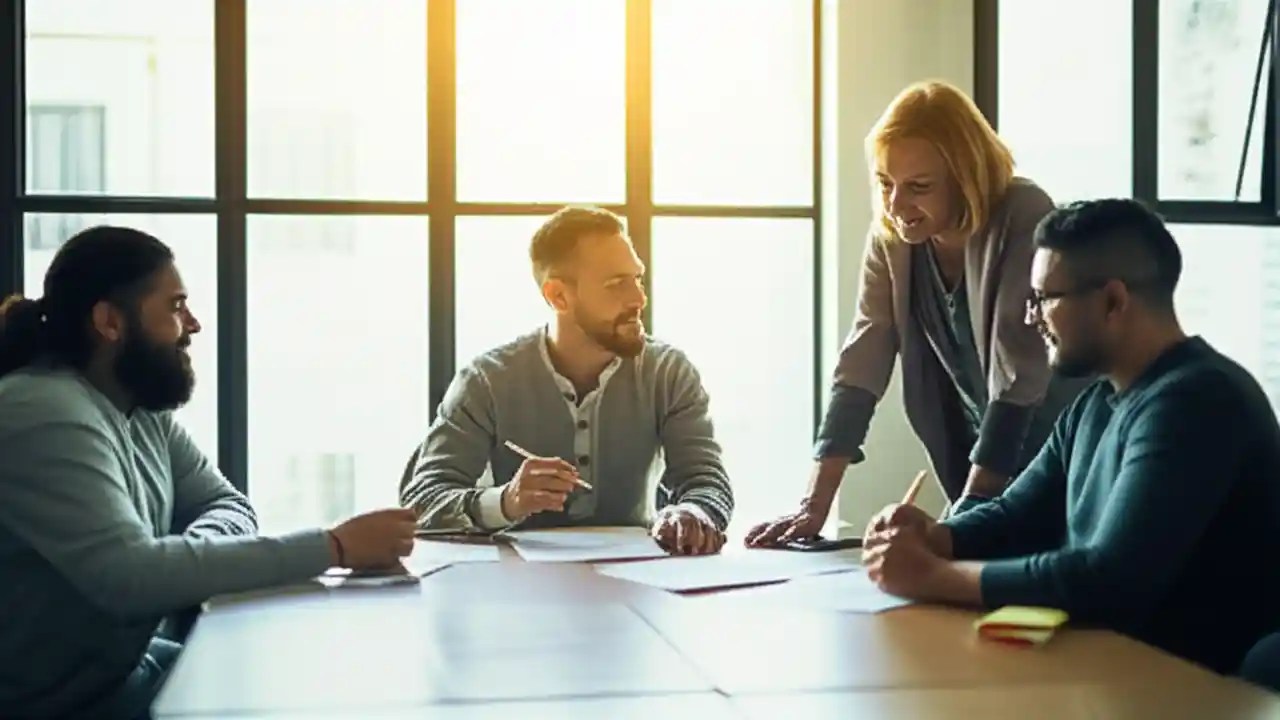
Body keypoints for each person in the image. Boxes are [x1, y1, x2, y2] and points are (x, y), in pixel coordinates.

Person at [0, 226, 417, 720]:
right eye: (176, 306)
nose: (193, 324)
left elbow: (228, 505)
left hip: (125, 677)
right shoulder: (42, 408)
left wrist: (188, 562)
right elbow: (129, 576)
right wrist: (335, 548)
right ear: (110, 321)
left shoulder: (139, 407)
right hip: (60, 707)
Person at [861, 199, 1280, 675]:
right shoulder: (1095, 403)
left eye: (1044, 298)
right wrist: (935, 537)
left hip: (1191, 688)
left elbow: (1107, 581)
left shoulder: (1197, 402)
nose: (1030, 317)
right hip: (1105, 671)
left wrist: (933, 576)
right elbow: (1016, 517)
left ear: (1113, 301)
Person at [747, 80, 1090, 548]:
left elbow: (1018, 376)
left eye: (918, 187)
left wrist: (967, 518)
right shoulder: (893, 236)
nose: (895, 205)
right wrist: (814, 506)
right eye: (885, 184)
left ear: (966, 178)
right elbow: (863, 359)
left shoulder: (1022, 213)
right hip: (986, 458)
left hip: (1063, 452)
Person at [401, 206, 732, 555]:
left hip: (638, 573)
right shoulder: (486, 380)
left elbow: (707, 482)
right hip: (511, 579)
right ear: (558, 296)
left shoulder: (669, 372)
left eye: (637, 279)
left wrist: (693, 513)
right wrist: (506, 502)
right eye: (616, 284)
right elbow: (422, 501)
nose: (638, 299)